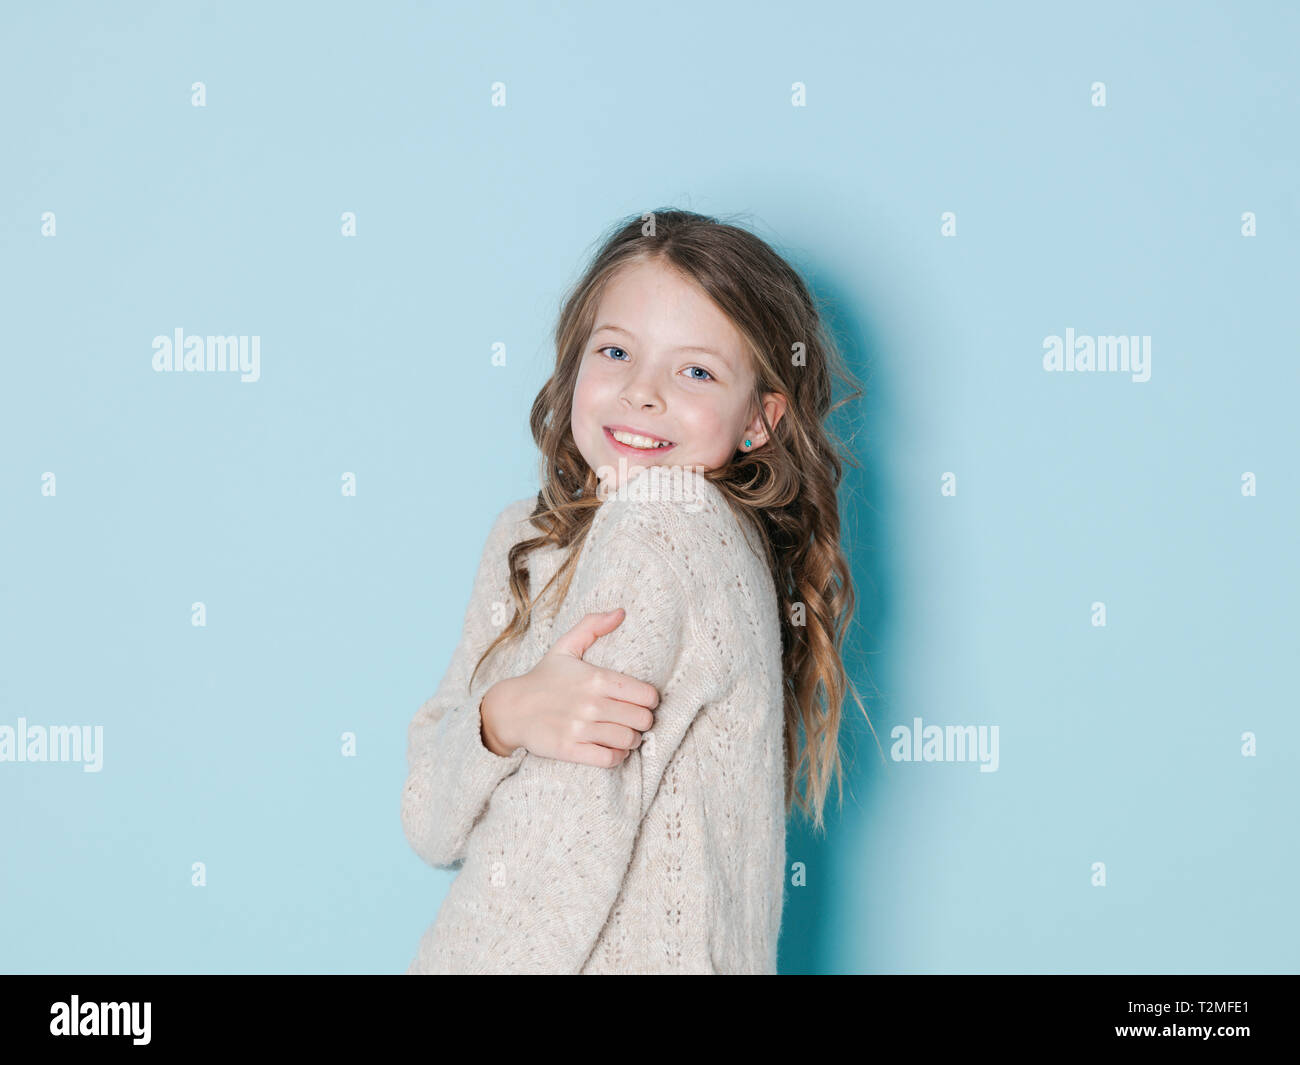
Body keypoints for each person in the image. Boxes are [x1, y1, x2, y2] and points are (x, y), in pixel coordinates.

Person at [401, 208, 870, 973]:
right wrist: (502, 714)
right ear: (574, 361)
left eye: (696, 371)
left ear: (760, 418)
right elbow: (428, 815)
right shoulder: (526, 538)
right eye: (616, 350)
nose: (641, 393)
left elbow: (559, 845)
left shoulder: (666, 523)